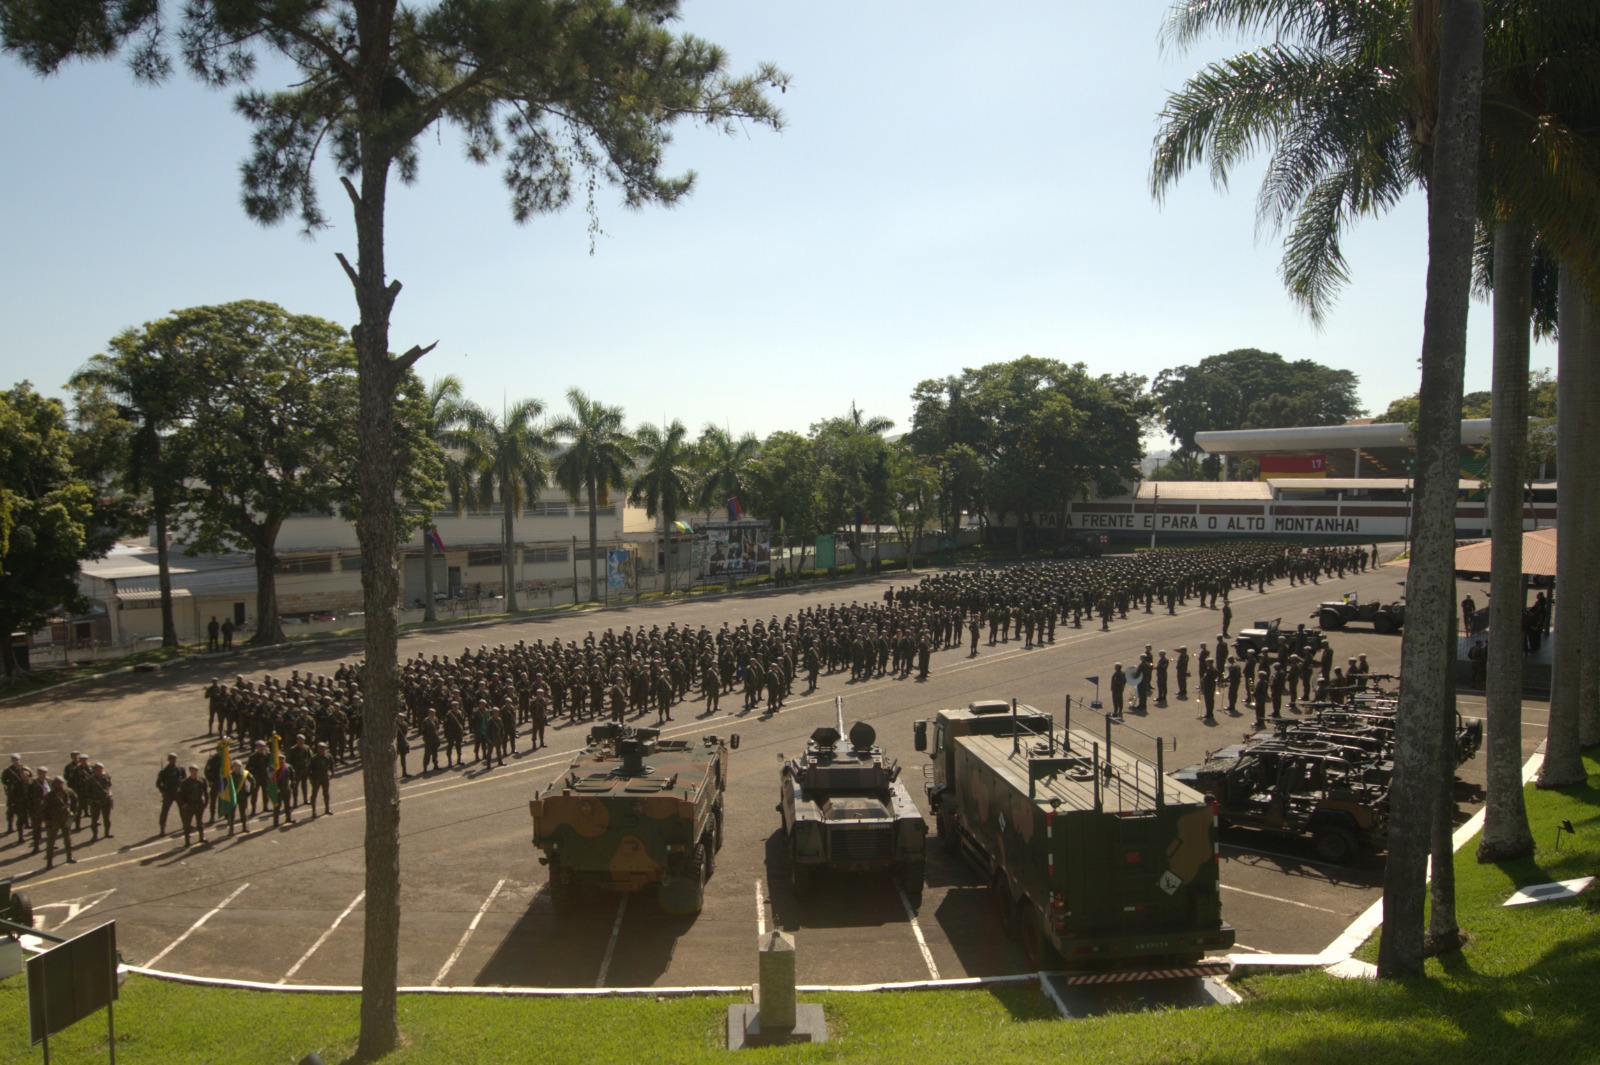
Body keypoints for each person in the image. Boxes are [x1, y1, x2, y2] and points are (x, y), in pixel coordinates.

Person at [42, 774, 77, 868]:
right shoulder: (50, 795)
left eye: (61, 783)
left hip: (66, 819)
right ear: (54, 784)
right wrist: (46, 820)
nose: (59, 785)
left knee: (68, 839)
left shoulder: (68, 791)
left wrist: (73, 813)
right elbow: (44, 809)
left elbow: (75, 801)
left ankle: (69, 857)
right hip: (54, 820)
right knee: (51, 841)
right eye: (57, 783)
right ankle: (49, 862)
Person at [177, 765, 209, 846]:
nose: (195, 772)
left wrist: (206, 802)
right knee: (187, 825)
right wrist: (184, 804)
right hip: (189, 806)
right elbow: (180, 795)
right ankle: (187, 841)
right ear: (190, 771)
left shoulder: (202, 780)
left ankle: (201, 837)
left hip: (199, 805)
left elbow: (206, 792)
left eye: (196, 770)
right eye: (193, 770)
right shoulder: (185, 782)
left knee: (200, 823)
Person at [83, 762, 114, 841]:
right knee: (94, 821)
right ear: (94, 770)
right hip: (95, 802)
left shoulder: (107, 776)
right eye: (97, 769)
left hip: (106, 801)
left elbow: (109, 785)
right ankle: (95, 835)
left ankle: (107, 833)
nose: (99, 770)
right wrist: (90, 801)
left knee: (107, 819)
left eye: (101, 769)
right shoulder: (90, 780)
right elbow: (86, 791)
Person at [309, 741, 334, 817]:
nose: (322, 750)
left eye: (324, 748)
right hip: (316, 778)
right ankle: (313, 811)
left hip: (325, 777)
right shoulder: (314, 758)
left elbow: (332, 764)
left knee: (326, 794)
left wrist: (332, 773)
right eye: (320, 748)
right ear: (318, 749)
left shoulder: (328, 756)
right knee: (314, 795)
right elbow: (309, 769)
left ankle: (327, 809)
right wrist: (311, 779)